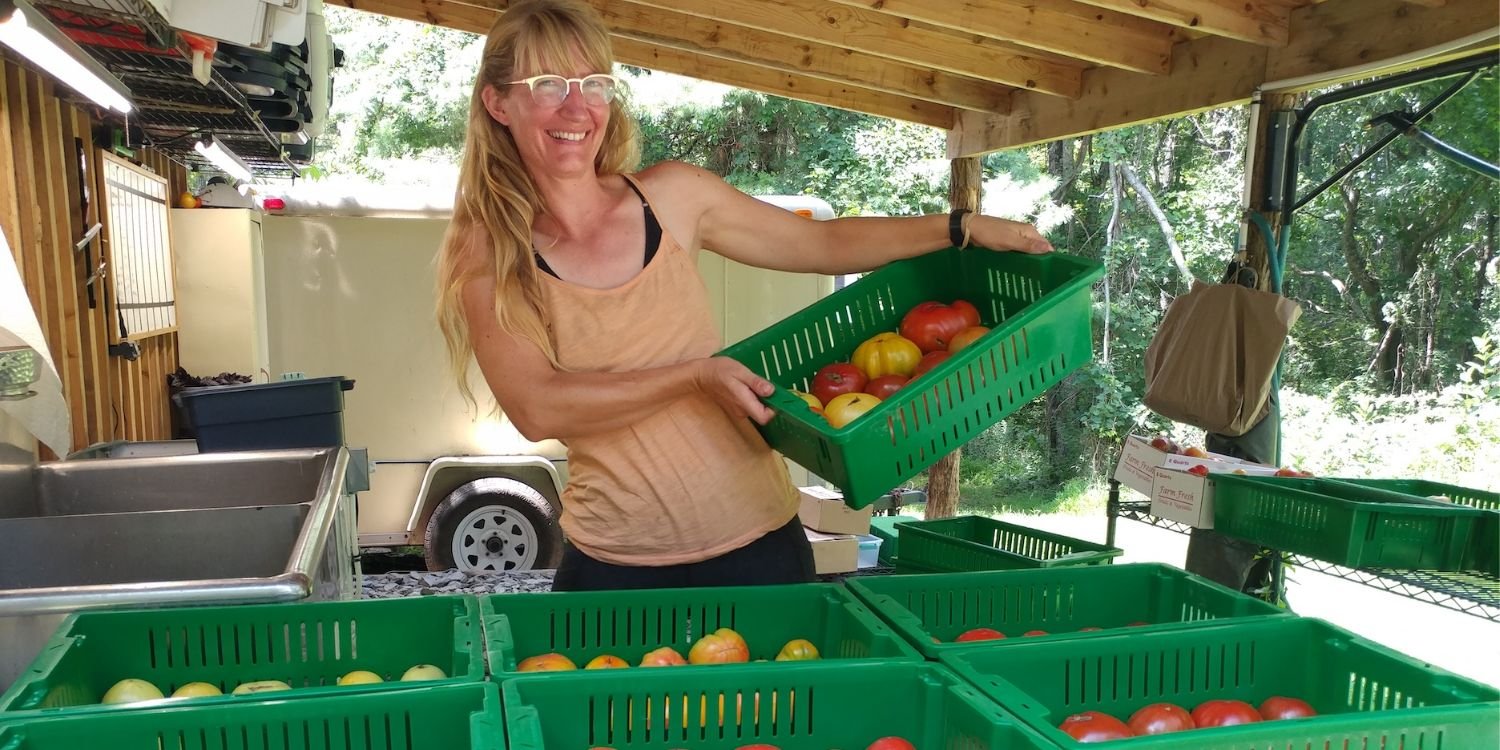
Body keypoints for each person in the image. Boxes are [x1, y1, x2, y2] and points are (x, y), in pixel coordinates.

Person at [434, 0, 1054, 592]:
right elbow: (540, 408)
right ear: (498, 102)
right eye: (547, 84)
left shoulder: (674, 196)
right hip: (615, 563)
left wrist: (958, 228)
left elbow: (824, 244)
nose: (576, 108)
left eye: (593, 83)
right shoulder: (489, 250)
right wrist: (693, 377)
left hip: (759, 542)